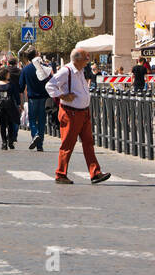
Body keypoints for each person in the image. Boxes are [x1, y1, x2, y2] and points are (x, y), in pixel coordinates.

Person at [46, 46, 111, 185]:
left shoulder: (80, 71)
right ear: (77, 60)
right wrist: (62, 95)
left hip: (83, 111)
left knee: (88, 143)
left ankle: (95, 173)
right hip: (71, 113)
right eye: (85, 60)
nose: (87, 62)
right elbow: (49, 85)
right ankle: (60, 174)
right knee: (68, 144)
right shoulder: (66, 71)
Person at [20, 49, 52, 152]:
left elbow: (21, 86)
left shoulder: (25, 69)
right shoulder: (44, 67)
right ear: (36, 55)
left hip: (32, 98)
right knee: (42, 120)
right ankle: (40, 145)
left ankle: (35, 135)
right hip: (43, 97)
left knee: (32, 119)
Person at [0, 65, 20, 150]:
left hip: (1, 107)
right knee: (11, 124)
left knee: (2, 125)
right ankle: (10, 141)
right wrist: (18, 104)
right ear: (6, 75)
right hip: (10, 106)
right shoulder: (11, 85)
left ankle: (4, 143)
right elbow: (16, 96)